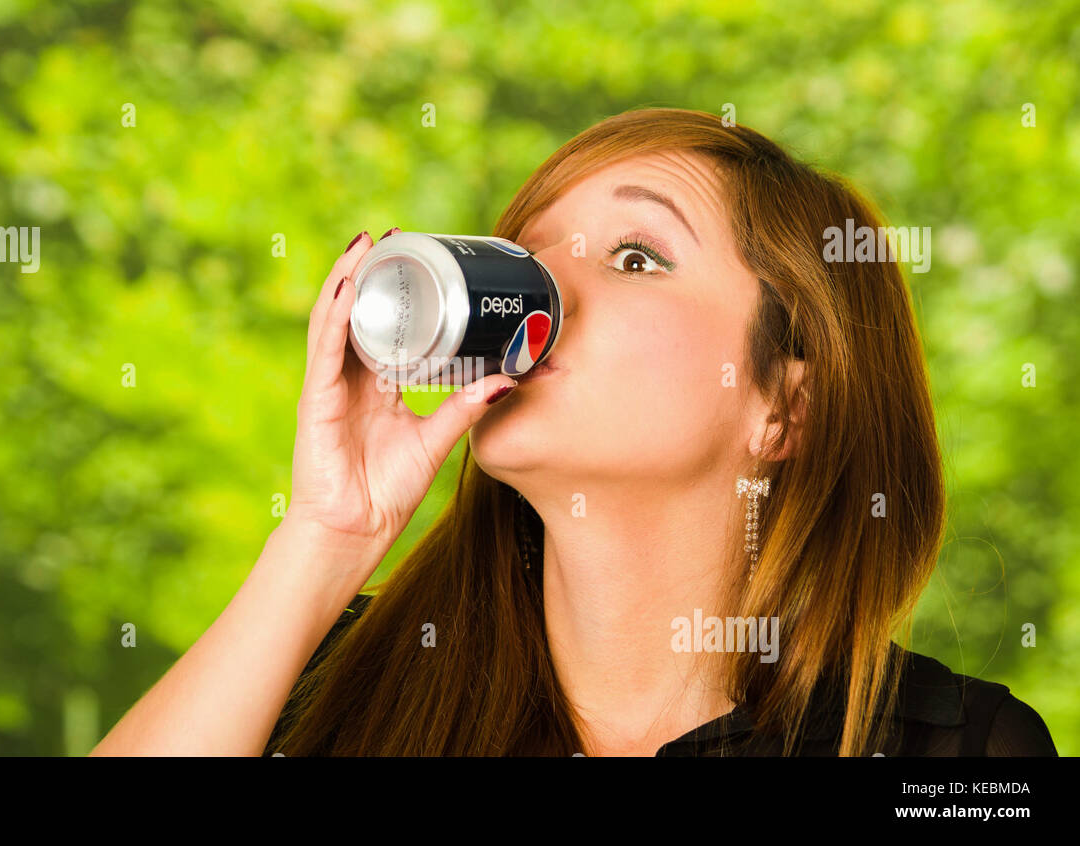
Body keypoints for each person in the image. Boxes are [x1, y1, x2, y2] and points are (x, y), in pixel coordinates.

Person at [92, 107, 1058, 757]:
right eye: (531, 247)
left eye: (636, 255)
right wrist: (322, 542)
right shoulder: (330, 681)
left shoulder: (955, 750)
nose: (542, 286)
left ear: (784, 408)